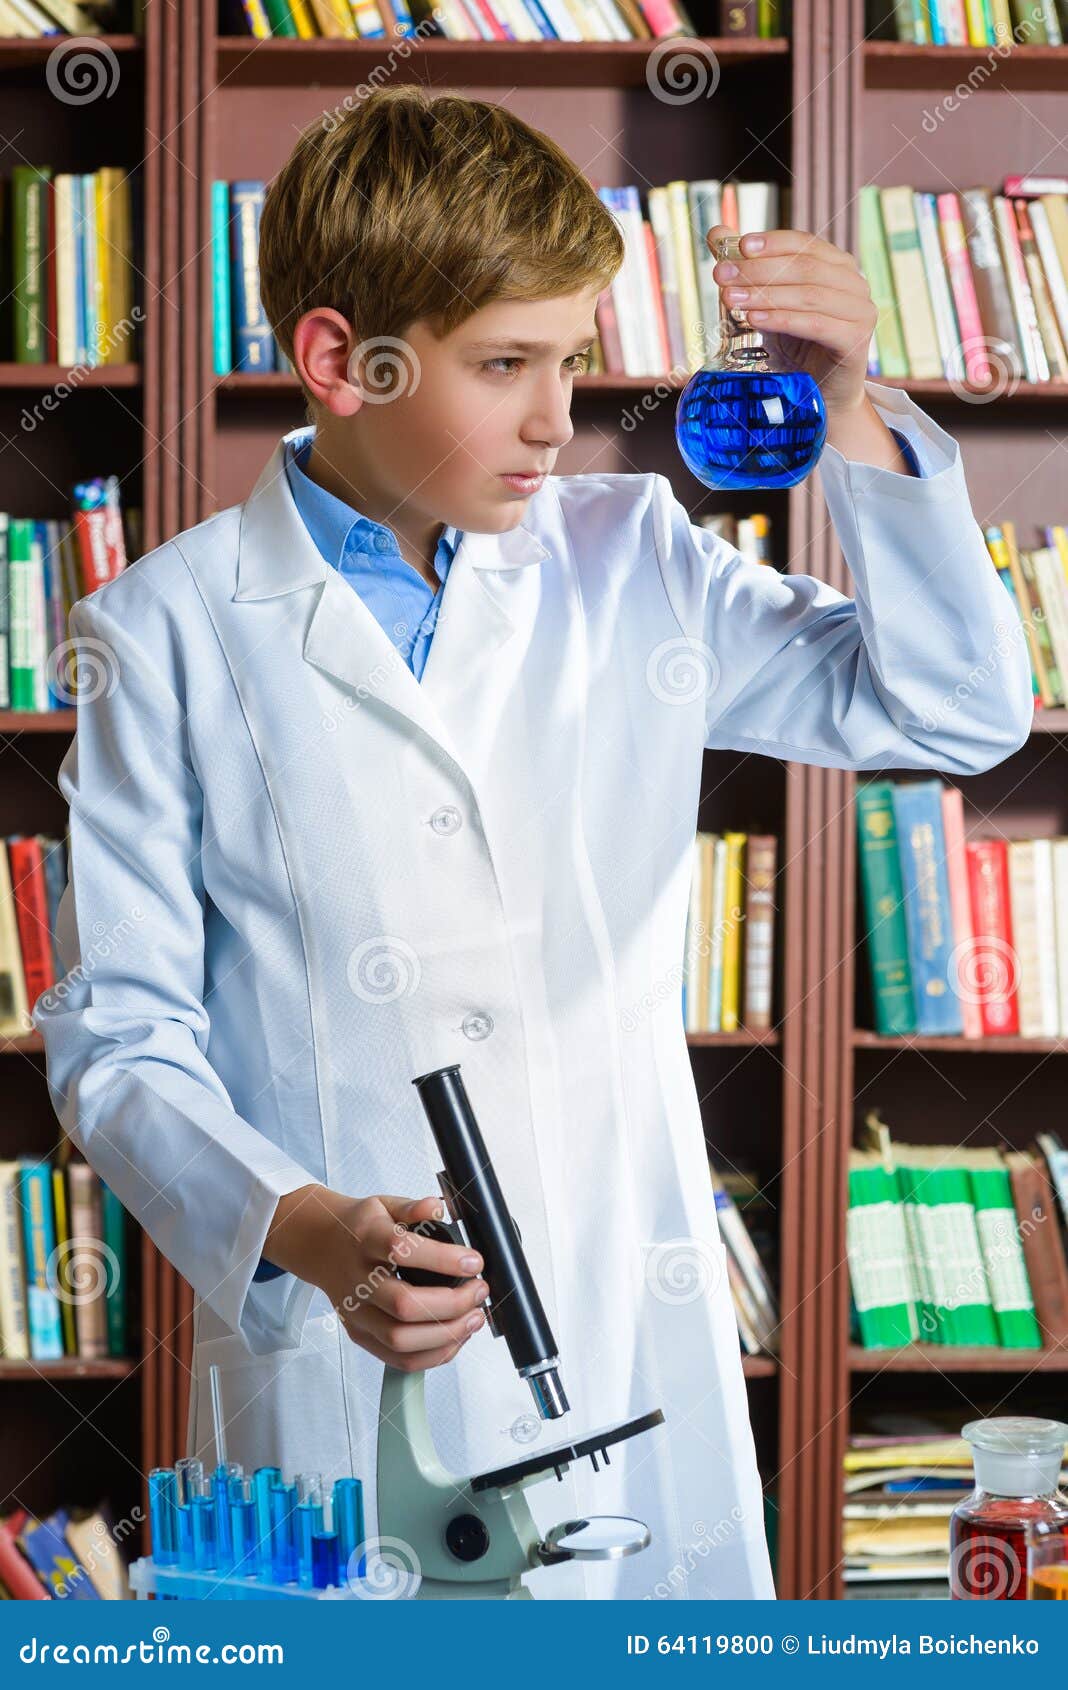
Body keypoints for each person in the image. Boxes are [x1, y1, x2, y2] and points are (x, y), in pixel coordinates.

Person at [33, 87, 1033, 1601]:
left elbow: (955, 710)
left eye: (570, 359)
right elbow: (118, 1037)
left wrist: (855, 417)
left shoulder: (630, 559)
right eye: (505, 366)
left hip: (631, 1342)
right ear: (335, 360)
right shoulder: (160, 633)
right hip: (344, 1382)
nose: (558, 419)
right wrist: (304, 1230)